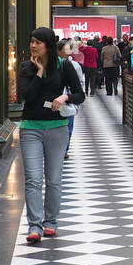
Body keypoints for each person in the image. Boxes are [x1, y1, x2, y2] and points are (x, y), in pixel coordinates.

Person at [18, 27, 84, 243]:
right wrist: (38, 73)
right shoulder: (26, 67)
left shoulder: (63, 66)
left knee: (54, 179)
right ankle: (34, 226)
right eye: (32, 41)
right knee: (33, 180)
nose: (33, 45)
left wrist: (65, 98)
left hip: (57, 129)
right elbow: (26, 95)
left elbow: (80, 95)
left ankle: (50, 222)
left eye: (37, 42)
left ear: (48, 45)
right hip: (31, 129)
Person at [58, 37, 85, 160]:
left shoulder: (74, 65)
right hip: (55, 101)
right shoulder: (52, 65)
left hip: (68, 100)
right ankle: (57, 148)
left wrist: (75, 101)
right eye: (65, 49)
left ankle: (64, 149)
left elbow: (80, 82)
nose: (68, 51)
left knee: (69, 126)